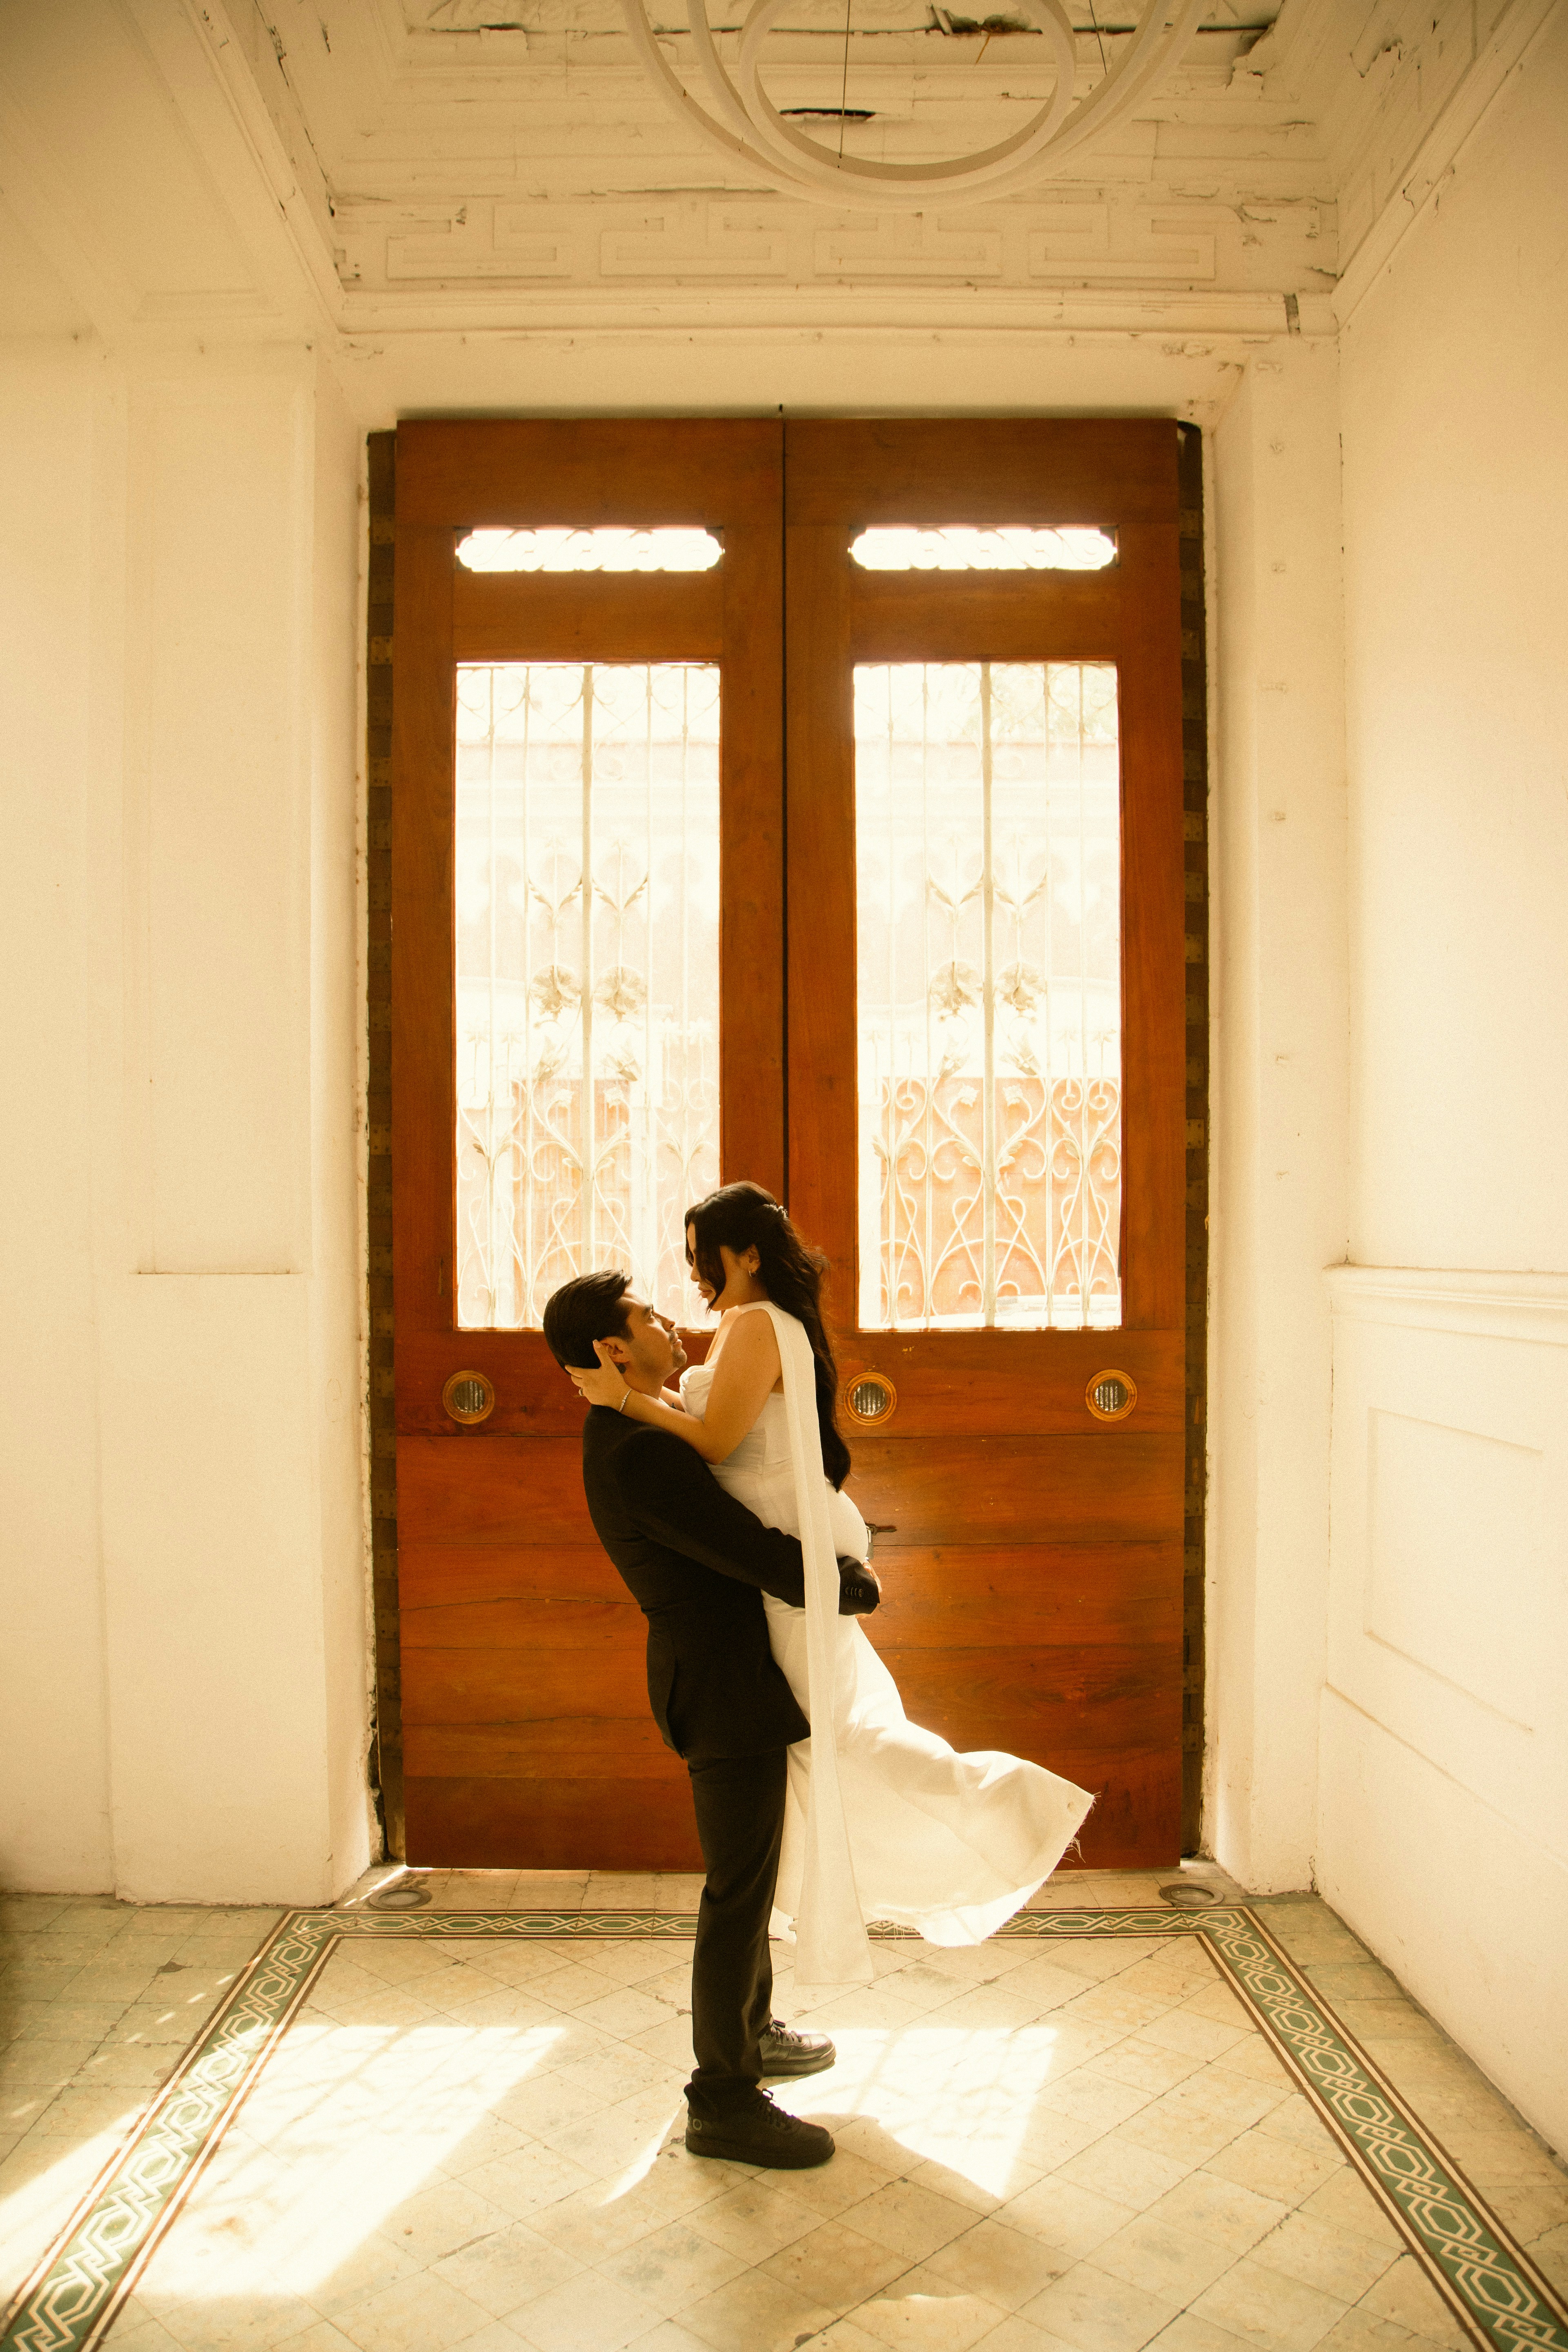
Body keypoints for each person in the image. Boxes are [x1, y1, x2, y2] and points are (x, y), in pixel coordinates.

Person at [566, 1182, 1096, 1998]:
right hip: (781, 1534)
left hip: (788, 1539)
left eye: (705, 1258)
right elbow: (718, 1432)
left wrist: (630, 1399)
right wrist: (639, 1398)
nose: (694, 1276)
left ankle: (1003, 1805)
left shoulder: (756, 1324)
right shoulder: (741, 1326)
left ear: (748, 1255)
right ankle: (794, 1929)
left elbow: (716, 1441)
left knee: (828, 1736)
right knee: (815, 1741)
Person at [541, 1269, 880, 2171]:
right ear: (613, 1350)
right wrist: (844, 1579)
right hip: (721, 1688)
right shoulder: (636, 1451)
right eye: (648, 1316)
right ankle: (722, 2101)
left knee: (751, 1880)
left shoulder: (640, 1425)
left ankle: (751, 2032)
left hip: (729, 1679)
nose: (670, 1322)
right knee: (736, 1891)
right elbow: (742, 1549)